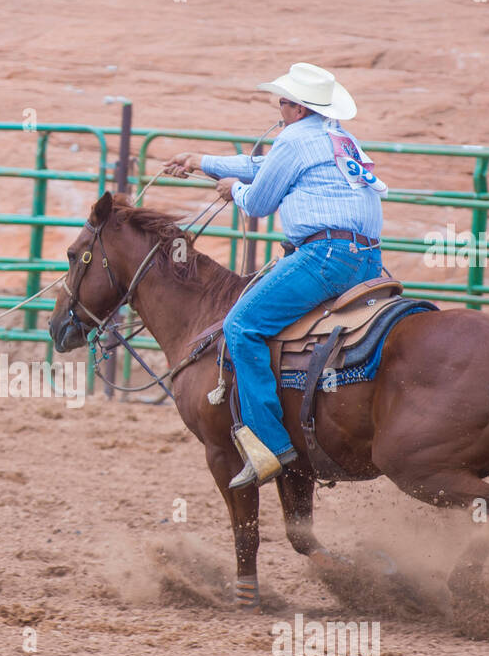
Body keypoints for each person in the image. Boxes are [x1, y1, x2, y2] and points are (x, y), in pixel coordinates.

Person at [163, 62, 388, 488]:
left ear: (299, 108)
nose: (277, 107)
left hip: (324, 256)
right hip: (368, 260)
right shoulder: (340, 137)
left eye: (282, 101)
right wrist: (200, 161)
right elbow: (267, 168)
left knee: (242, 326)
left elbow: (259, 200)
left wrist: (234, 191)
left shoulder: (294, 137)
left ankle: (269, 445)